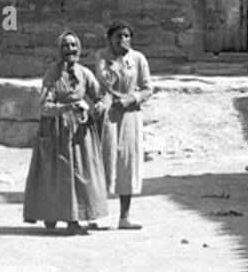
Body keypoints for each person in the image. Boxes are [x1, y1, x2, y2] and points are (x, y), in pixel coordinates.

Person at [21, 32, 109, 235]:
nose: (70, 50)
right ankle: (54, 214)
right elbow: (44, 106)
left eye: (73, 45)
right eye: (66, 46)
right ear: (59, 50)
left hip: (79, 132)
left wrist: (98, 106)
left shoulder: (85, 73)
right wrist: (68, 107)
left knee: (80, 174)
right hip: (56, 132)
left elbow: (101, 95)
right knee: (58, 175)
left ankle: (74, 219)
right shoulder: (52, 74)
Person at [94, 20, 153, 230]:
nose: (123, 40)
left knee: (128, 162)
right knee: (104, 159)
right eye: (118, 36)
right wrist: (117, 62)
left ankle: (124, 216)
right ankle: (97, 214)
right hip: (109, 112)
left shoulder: (138, 59)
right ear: (109, 38)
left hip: (130, 115)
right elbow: (103, 80)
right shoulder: (103, 57)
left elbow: (147, 88)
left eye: (127, 36)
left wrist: (132, 99)